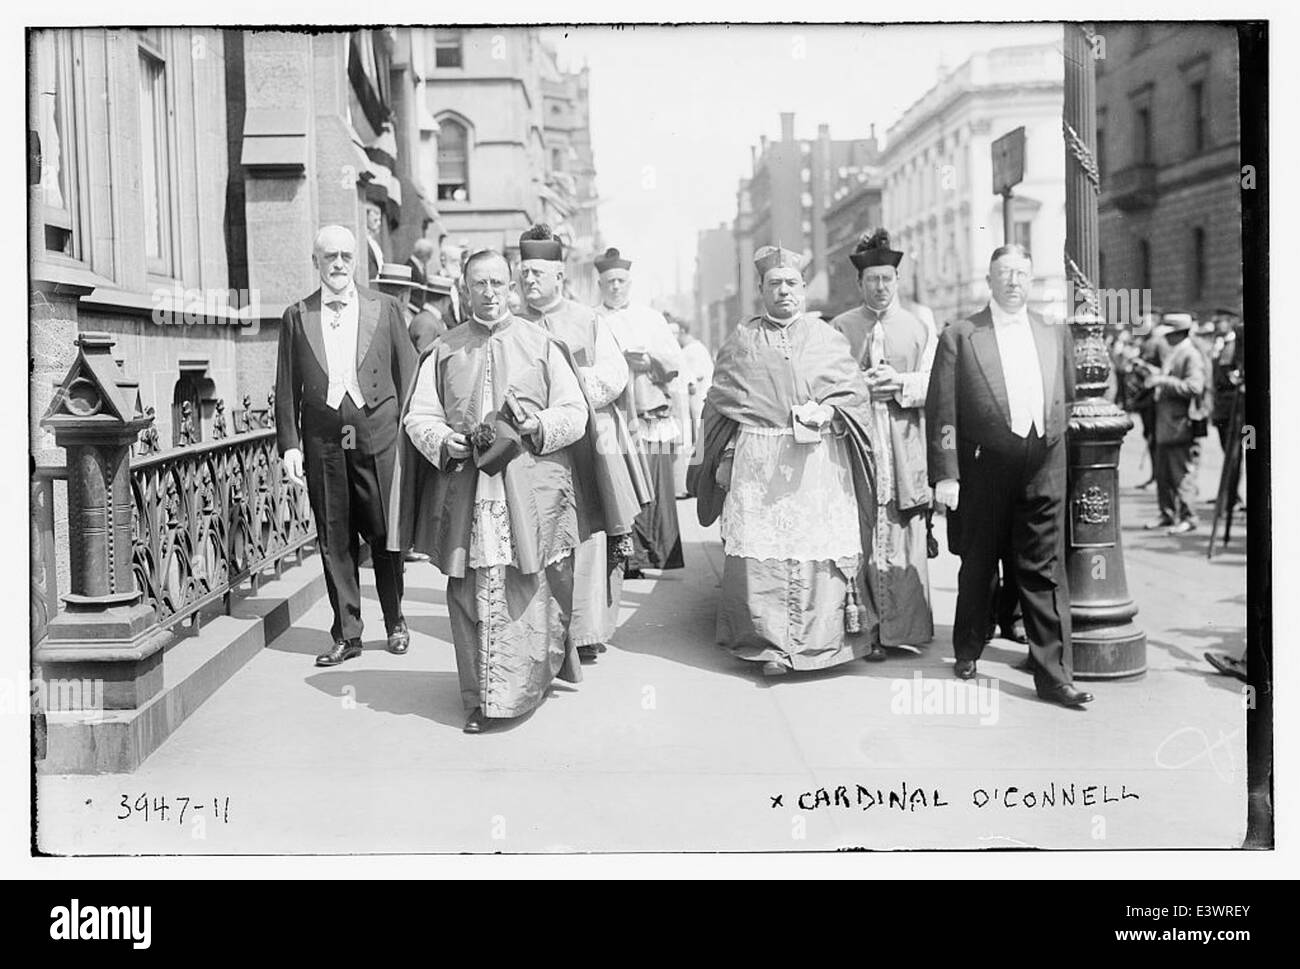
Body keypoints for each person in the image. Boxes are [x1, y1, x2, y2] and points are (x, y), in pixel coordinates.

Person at [392, 250, 617, 734]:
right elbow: (418, 417)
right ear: (464, 288)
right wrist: (444, 439)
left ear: (511, 286)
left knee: (533, 585)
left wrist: (537, 425)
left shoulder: (542, 343)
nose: (489, 293)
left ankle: (527, 683)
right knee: (470, 587)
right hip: (469, 491)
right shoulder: (445, 350)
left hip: (531, 488)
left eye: (497, 283)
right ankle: (480, 697)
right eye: (479, 284)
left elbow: (575, 412)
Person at [689, 245, 880, 676]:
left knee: (814, 546)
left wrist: (829, 412)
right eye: (774, 284)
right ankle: (768, 644)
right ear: (760, 289)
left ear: (803, 289)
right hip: (760, 462)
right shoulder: (742, 340)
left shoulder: (828, 338)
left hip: (817, 462)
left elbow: (853, 396)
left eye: (791, 283)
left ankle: (822, 640)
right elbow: (719, 404)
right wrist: (723, 458)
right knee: (764, 551)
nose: (783, 291)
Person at [925, 244, 1093, 708]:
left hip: (1043, 465)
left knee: (1044, 571)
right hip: (982, 469)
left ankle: (1054, 675)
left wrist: (1064, 463)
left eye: (1021, 273)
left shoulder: (1052, 333)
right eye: (1004, 273)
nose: (1014, 281)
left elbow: (1069, 396)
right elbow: (943, 411)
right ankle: (968, 647)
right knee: (978, 563)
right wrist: (947, 474)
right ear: (990, 281)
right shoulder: (961, 335)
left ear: (1032, 279)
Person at [274, 224, 417, 667]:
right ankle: (347, 632)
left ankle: (395, 621)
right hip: (323, 440)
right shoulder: (297, 315)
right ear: (315, 262)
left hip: (378, 434)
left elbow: (409, 375)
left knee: (383, 532)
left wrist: (411, 436)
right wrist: (290, 445)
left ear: (357, 262)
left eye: (346, 256)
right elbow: (285, 386)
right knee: (334, 536)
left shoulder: (386, 308)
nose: (338, 264)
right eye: (329, 256)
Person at [516, 224, 650, 663]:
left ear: (559, 275)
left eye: (539, 272)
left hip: (586, 443)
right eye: (524, 273)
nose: (529, 281)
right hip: (531, 445)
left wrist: (566, 392)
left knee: (587, 533)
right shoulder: (513, 325)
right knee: (536, 530)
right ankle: (540, 626)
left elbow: (614, 376)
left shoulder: (587, 319)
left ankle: (586, 629)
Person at [830, 229, 935, 661]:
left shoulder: (919, 325)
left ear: (897, 280)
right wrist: (860, 387)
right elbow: (829, 386)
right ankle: (867, 628)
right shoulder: (841, 327)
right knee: (862, 527)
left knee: (902, 524)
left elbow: (939, 383)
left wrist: (902, 384)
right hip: (859, 438)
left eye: (887, 279)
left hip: (903, 439)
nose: (880, 287)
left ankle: (902, 628)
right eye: (872, 280)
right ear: (860, 284)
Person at [594, 247, 685, 576]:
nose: (615, 287)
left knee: (653, 486)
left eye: (620, 281)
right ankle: (623, 560)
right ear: (600, 284)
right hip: (611, 417)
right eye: (609, 282)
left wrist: (649, 362)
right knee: (619, 486)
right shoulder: (593, 319)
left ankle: (652, 556)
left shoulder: (651, 318)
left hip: (648, 412)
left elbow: (675, 361)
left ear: (629, 283)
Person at [1144, 312, 1207, 534]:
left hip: (1180, 425)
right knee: (1164, 474)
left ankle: (1189, 517)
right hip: (1167, 425)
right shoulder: (1177, 352)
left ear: (1178, 334)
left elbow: (1194, 387)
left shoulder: (1190, 355)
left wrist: (1163, 380)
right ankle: (1167, 514)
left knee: (1181, 473)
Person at [674, 318, 715, 497]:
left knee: (698, 443)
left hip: (699, 401)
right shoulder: (693, 349)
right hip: (695, 402)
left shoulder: (693, 350)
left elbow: (694, 378)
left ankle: (698, 483)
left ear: (682, 331)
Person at [406, 238, 434, 311]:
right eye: (429, 255)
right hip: (412, 307)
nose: (429, 258)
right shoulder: (409, 267)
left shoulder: (419, 266)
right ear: (423, 254)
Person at [364, 202, 386, 279]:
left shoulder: (374, 243)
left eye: (379, 220)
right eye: (375, 220)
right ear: (365, 217)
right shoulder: (362, 241)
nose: (379, 223)